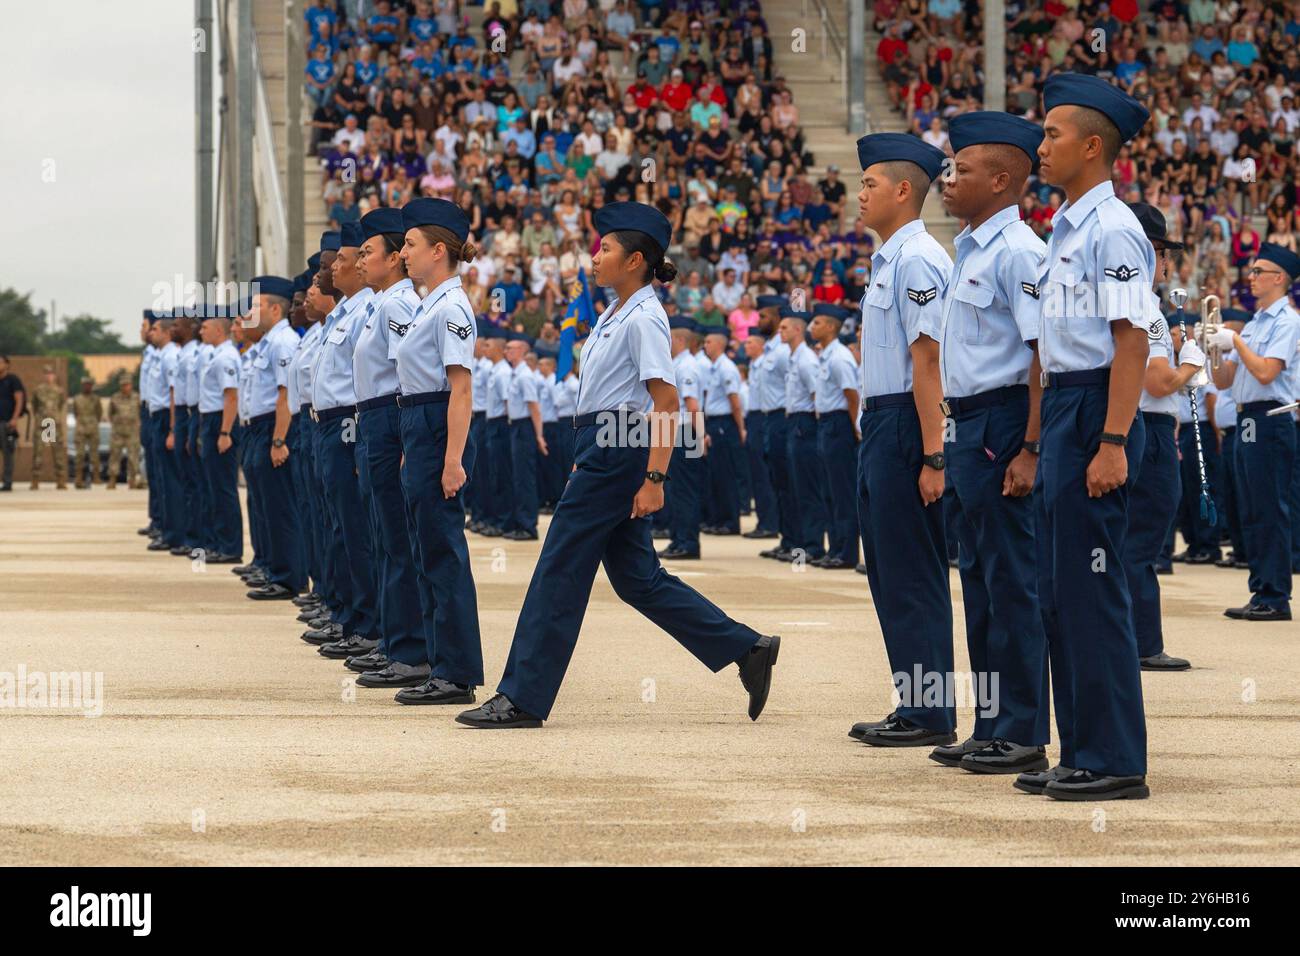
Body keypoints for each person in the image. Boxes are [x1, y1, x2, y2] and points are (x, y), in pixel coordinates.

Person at [455, 202, 780, 728]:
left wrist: (654, 478)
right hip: (602, 446)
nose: (594, 255)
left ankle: (522, 697)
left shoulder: (645, 316)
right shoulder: (615, 312)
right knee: (638, 579)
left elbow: (666, 402)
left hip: (616, 450)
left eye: (605, 248)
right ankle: (748, 649)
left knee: (558, 569)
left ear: (635, 260)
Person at [1020, 74, 1154, 801]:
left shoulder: (1114, 229)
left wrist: (1112, 439)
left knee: (1094, 587)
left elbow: (1130, 340)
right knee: (1058, 587)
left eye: (1052, 134)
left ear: (1093, 145)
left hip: (1095, 407)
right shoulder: (1067, 228)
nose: (1041, 146)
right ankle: (1079, 747)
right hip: (1067, 408)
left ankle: (1115, 760)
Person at [932, 111, 1050, 773]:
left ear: (1003, 180)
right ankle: (991, 722)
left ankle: (1025, 731)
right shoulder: (971, 249)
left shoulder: (1019, 253)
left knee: (1012, 580)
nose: (948, 181)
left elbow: (1042, 356)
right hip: (968, 424)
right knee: (978, 579)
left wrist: (1030, 447)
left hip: (1005, 423)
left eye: (963, 170)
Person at [848, 133, 955, 748]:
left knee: (911, 571)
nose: (860, 194)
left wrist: (933, 451)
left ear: (903, 190)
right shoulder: (889, 259)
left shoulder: (918, 259)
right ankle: (914, 702)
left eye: (870, 184)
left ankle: (930, 711)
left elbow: (929, 360)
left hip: (906, 424)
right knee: (889, 570)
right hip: (882, 420)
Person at [389, 196, 485, 703]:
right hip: (419, 423)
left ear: (439, 251)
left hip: (436, 422)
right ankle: (437, 661)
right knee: (426, 550)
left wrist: (451, 460)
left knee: (444, 552)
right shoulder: (430, 302)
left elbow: (460, 389)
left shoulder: (452, 307)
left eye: (410, 244)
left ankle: (457, 672)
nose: (404, 253)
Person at [346, 208, 428, 673]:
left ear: (395, 258)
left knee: (396, 539)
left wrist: (399, 441)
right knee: (384, 538)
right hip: (372, 420)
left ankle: (410, 650)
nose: (360, 261)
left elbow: (404, 373)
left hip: (389, 419)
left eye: (367, 252)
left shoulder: (398, 304)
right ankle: (393, 640)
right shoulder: (382, 302)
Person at [1123, 202, 1202, 672]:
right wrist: (1189, 367)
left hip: (1136, 425)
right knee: (1145, 541)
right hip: (1147, 428)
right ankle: (1144, 643)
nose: (1167, 264)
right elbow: (1156, 384)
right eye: (1163, 252)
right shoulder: (1148, 311)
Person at [1210, 242, 1300, 622]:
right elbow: (1225, 380)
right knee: (1250, 506)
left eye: (1257, 272)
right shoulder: (1258, 320)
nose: (1251, 277)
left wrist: (1237, 342)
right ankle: (1260, 589)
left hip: (1272, 418)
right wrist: (1214, 349)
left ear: (1278, 278)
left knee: (1269, 507)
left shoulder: (1287, 321)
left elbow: (1266, 372)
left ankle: (1276, 595)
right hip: (1247, 418)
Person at [239, 276, 307, 600]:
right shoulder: (266, 342)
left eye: (256, 305)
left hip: (272, 427)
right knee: (265, 505)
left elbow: (285, 395)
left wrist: (279, 440)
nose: (249, 312)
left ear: (276, 309)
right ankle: (271, 567)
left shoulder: (283, 342)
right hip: (258, 427)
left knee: (280, 507)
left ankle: (288, 577)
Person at [809, 303, 860, 570]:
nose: (811, 327)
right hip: (825, 424)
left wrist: (855, 429)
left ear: (831, 326)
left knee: (841, 491)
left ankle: (847, 551)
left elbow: (852, 396)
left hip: (839, 423)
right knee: (828, 490)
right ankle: (835, 547)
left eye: (817, 322)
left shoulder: (840, 357)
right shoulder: (825, 355)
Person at [195, 303, 243, 563]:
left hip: (220, 422)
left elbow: (231, 397)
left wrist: (224, 432)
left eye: (204, 327)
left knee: (224, 488)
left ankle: (230, 547)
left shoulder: (226, 357)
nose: (200, 331)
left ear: (217, 330)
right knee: (213, 486)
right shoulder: (216, 354)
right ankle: (217, 542)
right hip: (212, 419)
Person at [751, 296, 797, 560]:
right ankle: (786, 537)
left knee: (788, 483)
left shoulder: (782, 352)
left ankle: (796, 541)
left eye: (764, 316)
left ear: (777, 318)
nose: (760, 321)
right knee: (777, 482)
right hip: (769, 419)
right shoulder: (771, 349)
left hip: (782, 417)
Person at [780, 306, 827, 563]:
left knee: (808, 487)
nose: (780, 331)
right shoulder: (794, 357)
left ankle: (813, 545)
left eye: (785, 327)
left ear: (799, 329)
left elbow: (816, 394)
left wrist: (814, 425)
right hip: (794, 421)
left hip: (805, 422)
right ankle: (801, 542)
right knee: (797, 486)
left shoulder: (806, 359)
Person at [659, 316, 706, 560]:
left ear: (678, 339)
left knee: (684, 490)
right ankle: (678, 539)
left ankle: (688, 542)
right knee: (674, 490)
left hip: (685, 432)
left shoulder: (686, 366)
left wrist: (700, 438)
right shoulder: (677, 363)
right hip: (675, 430)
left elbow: (693, 405)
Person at [700, 326, 744, 535]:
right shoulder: (714, 367)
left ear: (719, 344)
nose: (705, 346)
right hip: (714, 423)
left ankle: (730, 521)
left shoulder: (726, 367)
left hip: (724, 424)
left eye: (708, 342)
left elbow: (734, 401)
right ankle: (719, 519)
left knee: (725, 474)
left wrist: (741, 428)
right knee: (715, 474)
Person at [504, 332, 545, 540]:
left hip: (524, 427)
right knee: (518, 477)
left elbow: (534, 406)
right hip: (516, 426)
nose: (506, 352)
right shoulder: (515, 374)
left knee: (525, 478)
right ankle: (520, 522)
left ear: (521, 351)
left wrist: (539, 435)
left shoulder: (525, 375)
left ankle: (529, 526)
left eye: (510, 348)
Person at [29, 365, 69, 491]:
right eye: (46, 374)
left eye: (51, 374)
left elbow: (61, 405)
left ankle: (60, 480)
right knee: (38, 453)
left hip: (54, 425)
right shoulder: (37, 390)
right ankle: (35, 480)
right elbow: (34, 406)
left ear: (54, 376)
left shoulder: (59, 391)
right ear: (43, 376)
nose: (48, 376)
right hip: (42, 424)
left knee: (58, 454)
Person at [106, 377, 142, 490]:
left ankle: (132, 481)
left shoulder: (137, 398)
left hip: (132, 433)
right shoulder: (114, 398)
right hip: (118, 433)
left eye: (127, 385)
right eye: (123, 385)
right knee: (115, 456)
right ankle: (112, 480)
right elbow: (110, 413)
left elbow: (141, 413)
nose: (125, 387)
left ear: (131, 385)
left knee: (133, 457)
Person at [71, 379, 102, 488]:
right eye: (85, 385)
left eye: (89, 385)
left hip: (93, 429)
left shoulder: (96, 399)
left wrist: (92, 422)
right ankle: (78, 478)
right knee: (79, 455)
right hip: (80, 430)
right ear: (82, 386)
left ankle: (96, 477)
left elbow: (99, 413)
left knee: (95, 456)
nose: (87, 387)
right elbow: (75, 413)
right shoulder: (77, 399)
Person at [0, 355, 24, 492]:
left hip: (6, 423)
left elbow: (19, 400)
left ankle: (7, 482)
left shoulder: (13, 380)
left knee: (8, 453)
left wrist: (14, 419)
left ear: (7, 364)